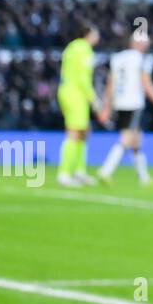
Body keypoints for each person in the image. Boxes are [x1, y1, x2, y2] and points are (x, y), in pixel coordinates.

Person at [99, 30, 153, 186]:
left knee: (136, 140)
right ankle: (106, 171)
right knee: (127, 138)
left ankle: (144, 178)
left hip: (120, 102)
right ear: (139, 43)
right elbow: (146, 82)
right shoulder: (141, 59)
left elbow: (110, 84)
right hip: (133, 103)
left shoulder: (118, 58)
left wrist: (106, 107)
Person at [56, 23, 102, 188]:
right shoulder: (84, 49)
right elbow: (83, 78)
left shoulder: (72, 46)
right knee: (74, 132)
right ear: (88, 34)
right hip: (75, 93)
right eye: (96, 34)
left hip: (67, 90)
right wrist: (94, 99)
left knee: (84, 132)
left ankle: (79, 171)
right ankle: (64, 173)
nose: (98, 37)